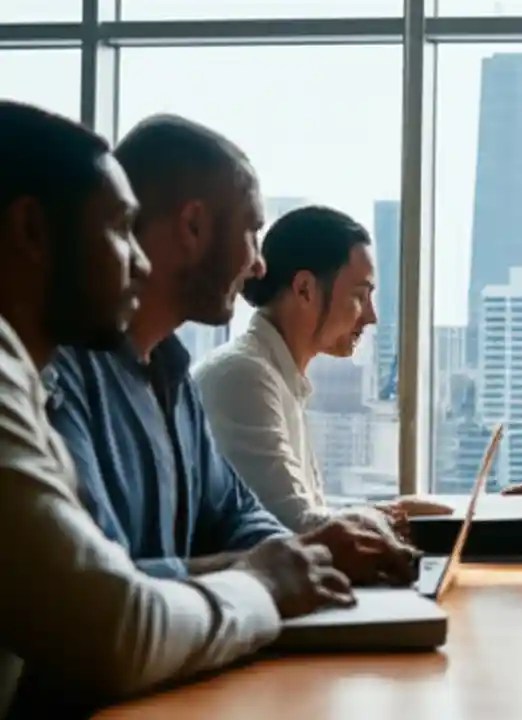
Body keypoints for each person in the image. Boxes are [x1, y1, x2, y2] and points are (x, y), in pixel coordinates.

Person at [0, 101, 351, 716]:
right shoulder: (44, 378)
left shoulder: (166, 374)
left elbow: (235, 514)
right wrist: (261, 579)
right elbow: (112, 615)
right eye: (117, 229)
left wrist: (296, 565)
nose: (138, 260)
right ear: (31, 232)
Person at [45, 114, 417, 586]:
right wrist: (271, 567)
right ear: (193, 226)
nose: (259, 264)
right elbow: (104, 592)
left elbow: (236, 513)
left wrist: (306, 555)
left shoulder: (172, 376)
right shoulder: (63, 378)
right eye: (250, 233)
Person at [193, 205, 449, 533]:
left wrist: (391, 511)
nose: (370, 316)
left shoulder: (275, 375)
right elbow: (295, 527)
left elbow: (304, 513)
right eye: (360, 296)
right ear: (305, 289)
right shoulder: (242, 377)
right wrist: (393, 514)